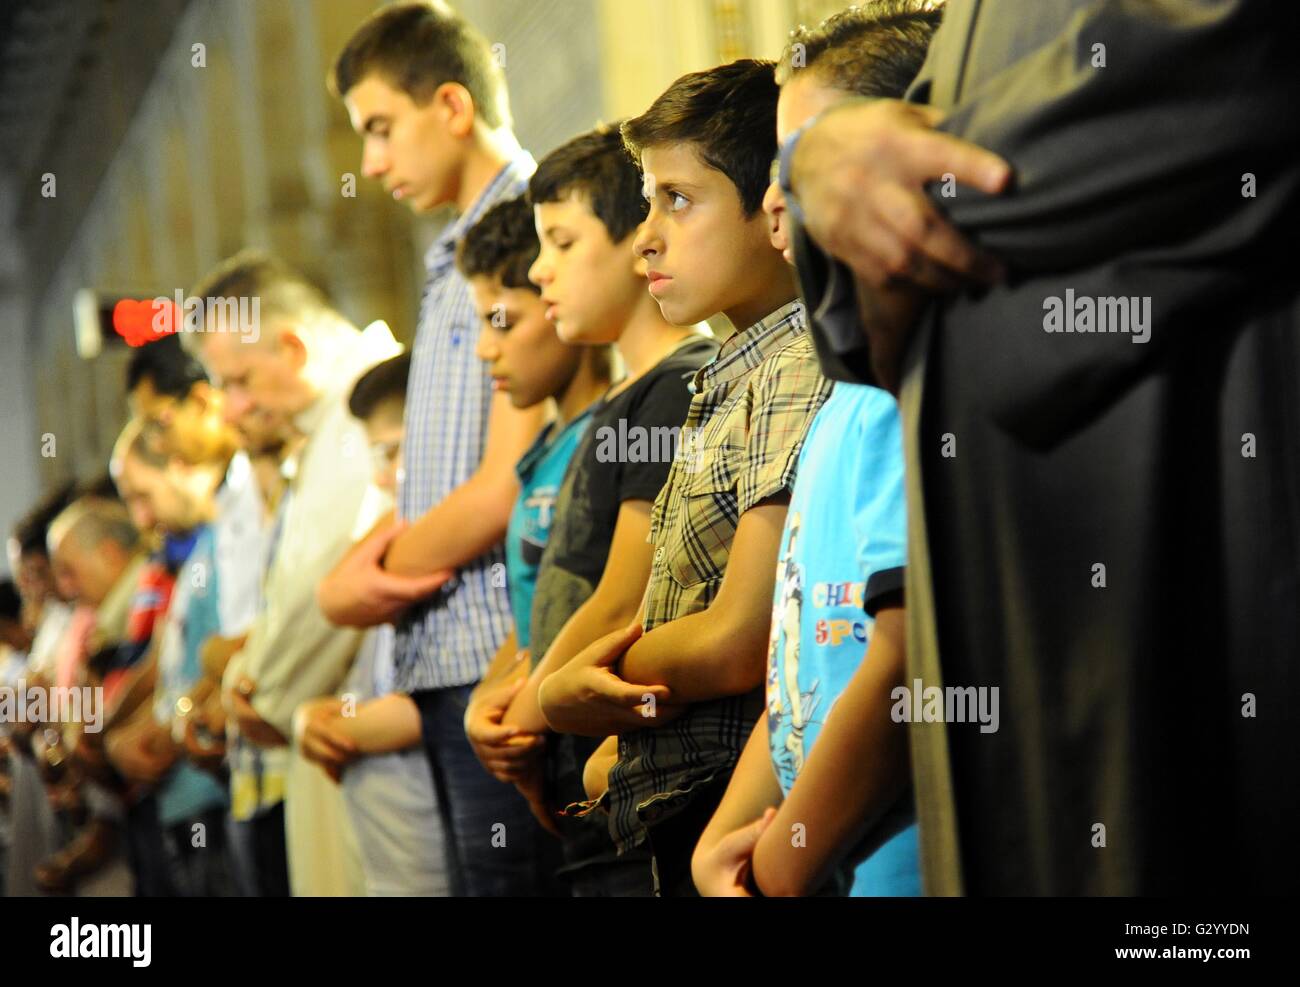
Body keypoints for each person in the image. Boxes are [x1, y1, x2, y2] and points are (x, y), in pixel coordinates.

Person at [782, 0, 1300, 893]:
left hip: (1189, 503)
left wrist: (877, 188)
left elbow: (1234, 76)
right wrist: (819, 168)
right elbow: (852, 323)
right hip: (1010, 581)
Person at [538, 59, 831, 896]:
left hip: (736, 807)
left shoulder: (793, 368)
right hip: (687, 801)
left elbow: (739, 637)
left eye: (679, 199)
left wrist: (573, 692)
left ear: (771, 207)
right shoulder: (728, 379)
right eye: (647, 201)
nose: (648, 238)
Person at [692, 1, 942, 898]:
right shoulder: (842, 389)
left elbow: (904, 660)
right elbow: (797, 655)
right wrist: (722, 841)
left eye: (800, 160)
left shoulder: (899, 383)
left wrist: (781, 863)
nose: (770, 198)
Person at [325, 0, 550, 896]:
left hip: (496, 652)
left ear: (451, 106)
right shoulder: (454, 249)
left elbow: (507, 483)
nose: (372, 162)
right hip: (451, 657)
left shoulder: (527, 229)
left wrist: (359, 579)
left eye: (381, 129)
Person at [466, 123, 718, 896]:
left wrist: (531, 705)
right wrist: (500, 697)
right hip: (578, 779)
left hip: (628, 789)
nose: (541, 271)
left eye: (562, 242)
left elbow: (625, 595)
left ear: (636, 241)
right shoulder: (615, 404)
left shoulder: (678, 384)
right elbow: (554, 591)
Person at [185, 250, 400, 895]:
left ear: (293, 347)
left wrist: (256, 689)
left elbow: (322, 592)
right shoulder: (323, 429)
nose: (229, 408)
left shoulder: (361, 419)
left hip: (373, 736)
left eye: (238, 380)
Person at [297, 353, 454, 896]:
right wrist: (320, 715)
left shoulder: (458, 542)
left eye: (393, 450)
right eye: (375, 455)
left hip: (435, 846)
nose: (383, 476)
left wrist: (332, 726)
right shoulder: (397, 533)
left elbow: (441, 699)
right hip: (390, 850)